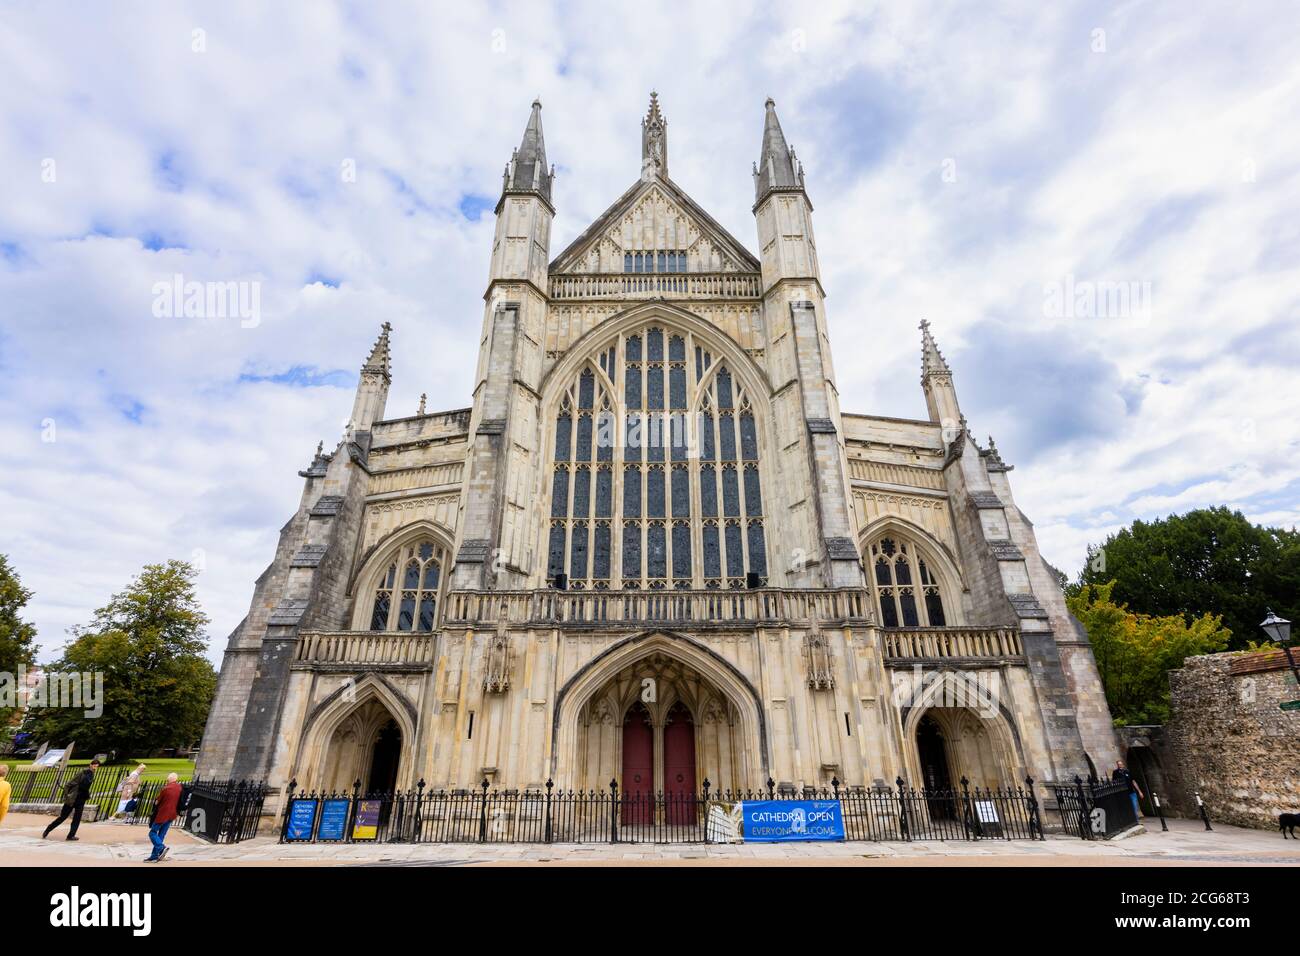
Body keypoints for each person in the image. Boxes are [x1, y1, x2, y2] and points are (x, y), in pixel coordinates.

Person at [43, 759, 99, 841]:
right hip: (73, 798)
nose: (95, 768)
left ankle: (71, 835)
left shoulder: (92, 774)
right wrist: (67, 796)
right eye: (94, 765)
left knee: (77, 818)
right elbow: (68, 784)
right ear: (90, 764)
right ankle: (48, 829)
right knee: (63, 817)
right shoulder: (82, 773)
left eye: (96, 766)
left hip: (81, 799)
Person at [146, 773, 182, 863]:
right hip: (172, 815)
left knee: (152, 833)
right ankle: (154, 856)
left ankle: (161, 848)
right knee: (161, 835)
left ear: (169, 780)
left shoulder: (166, 789)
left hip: (162, 815)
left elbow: (157, 802)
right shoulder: (179, 788)